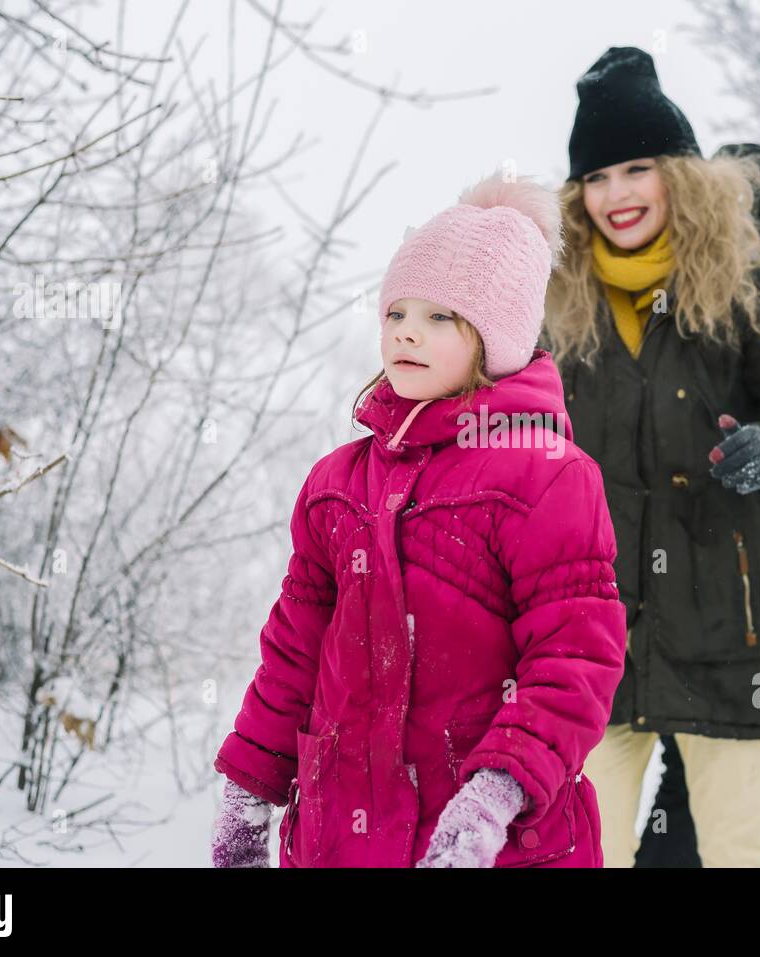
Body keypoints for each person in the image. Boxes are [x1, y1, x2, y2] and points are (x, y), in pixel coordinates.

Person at [210, 171, 628, 867]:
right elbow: (294, 648)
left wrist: (496, 791)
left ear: (495, 338)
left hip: (495, 842)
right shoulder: (336, 484)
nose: (407, 333)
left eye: (440, 318)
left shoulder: (547, 475)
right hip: (339, 836)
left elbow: (573, 656)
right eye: (396, 313)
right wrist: (248, 785)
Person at [541, 46, 760, 868]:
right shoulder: (555, 296)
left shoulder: (747, 276)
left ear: (676, 171)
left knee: (737, 850)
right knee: (576, 849)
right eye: (598, 177)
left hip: (729, 624)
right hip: (590, 634)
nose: (617, 195)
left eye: (636, 169)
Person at [636, 141, 760, 868]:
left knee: (689, 792)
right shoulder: (743, 287)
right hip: (705, 595)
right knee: (695, 800)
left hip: (703, 590)